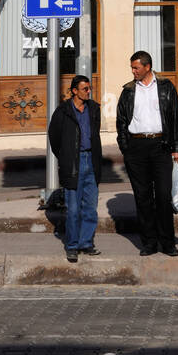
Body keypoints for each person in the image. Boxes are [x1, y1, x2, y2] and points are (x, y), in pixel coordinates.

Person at [117, 50, 178, 257]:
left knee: (163, 196)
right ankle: (148, 243)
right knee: (143, 197)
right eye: (132, 67)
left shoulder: (165, 87)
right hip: (136, 148)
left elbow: (174, 117)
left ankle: (167, 242)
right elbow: (121, 121)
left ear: (147, 67)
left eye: (136, 67)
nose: (133, 71)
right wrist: (125, 147)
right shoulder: (128, 90)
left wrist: (177, 147)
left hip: (161, 146)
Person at [47, 74, 103, 262]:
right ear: (74, 91)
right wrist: (65, 157)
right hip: (73, 163)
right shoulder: (63, 111)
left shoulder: (94, 109)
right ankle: (72, 245)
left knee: (90, 207)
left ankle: (86, 243)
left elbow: (95, 134)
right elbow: (54, 138)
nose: (89, 92)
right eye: (85, 89)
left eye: (89, 88)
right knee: (73, 209)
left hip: (91, 161)